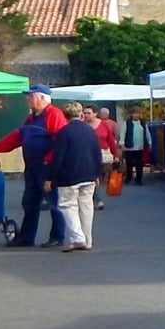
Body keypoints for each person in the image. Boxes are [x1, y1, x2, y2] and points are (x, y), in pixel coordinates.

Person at [0, 85, 70, 247]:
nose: (27, 99)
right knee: (30, 202)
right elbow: (16, 137)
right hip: (32, 166)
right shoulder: (31, 119)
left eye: (30, 96)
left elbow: (60, 141)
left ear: (42, 98)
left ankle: (57, 236)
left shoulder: (54, 114)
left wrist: (48, 160)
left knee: (53, 202)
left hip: (46, 167)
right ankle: (26, 237)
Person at [51, 103, 104, 251]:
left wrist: (51, 177)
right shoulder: (90, 131)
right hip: (88, 174)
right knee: (86, 207)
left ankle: (77, 237)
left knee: (68, 205)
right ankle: (87, 240)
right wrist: (97, 173)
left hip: (69, 176)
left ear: (64, 115)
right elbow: (96, 154)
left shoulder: (64, 132)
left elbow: (58, 157)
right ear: (80, 114)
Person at [87, 105, 121, 208]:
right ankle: (97, 200)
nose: (86, 115)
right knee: (92, 177)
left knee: (94, 178)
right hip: (87, 154)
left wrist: (115, 154)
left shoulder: (103, 125)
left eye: (88, 113)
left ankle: (95, 199)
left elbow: (110, 140)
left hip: (102, 154)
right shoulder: (83, 125)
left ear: (95, 113)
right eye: (85, 113)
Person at [121, 105, 152, 185]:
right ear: (132, 114)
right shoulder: (127, 123)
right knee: (129, 163)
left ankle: (139, 179)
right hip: (130, 147)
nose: (136, 115)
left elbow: (147, 133)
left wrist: (149, 142)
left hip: (140, 146)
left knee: (139, 163)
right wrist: (122, 144)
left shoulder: (143, 123)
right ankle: (129, 177)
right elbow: (123, 133)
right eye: (135, 113)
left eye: (138, 113)